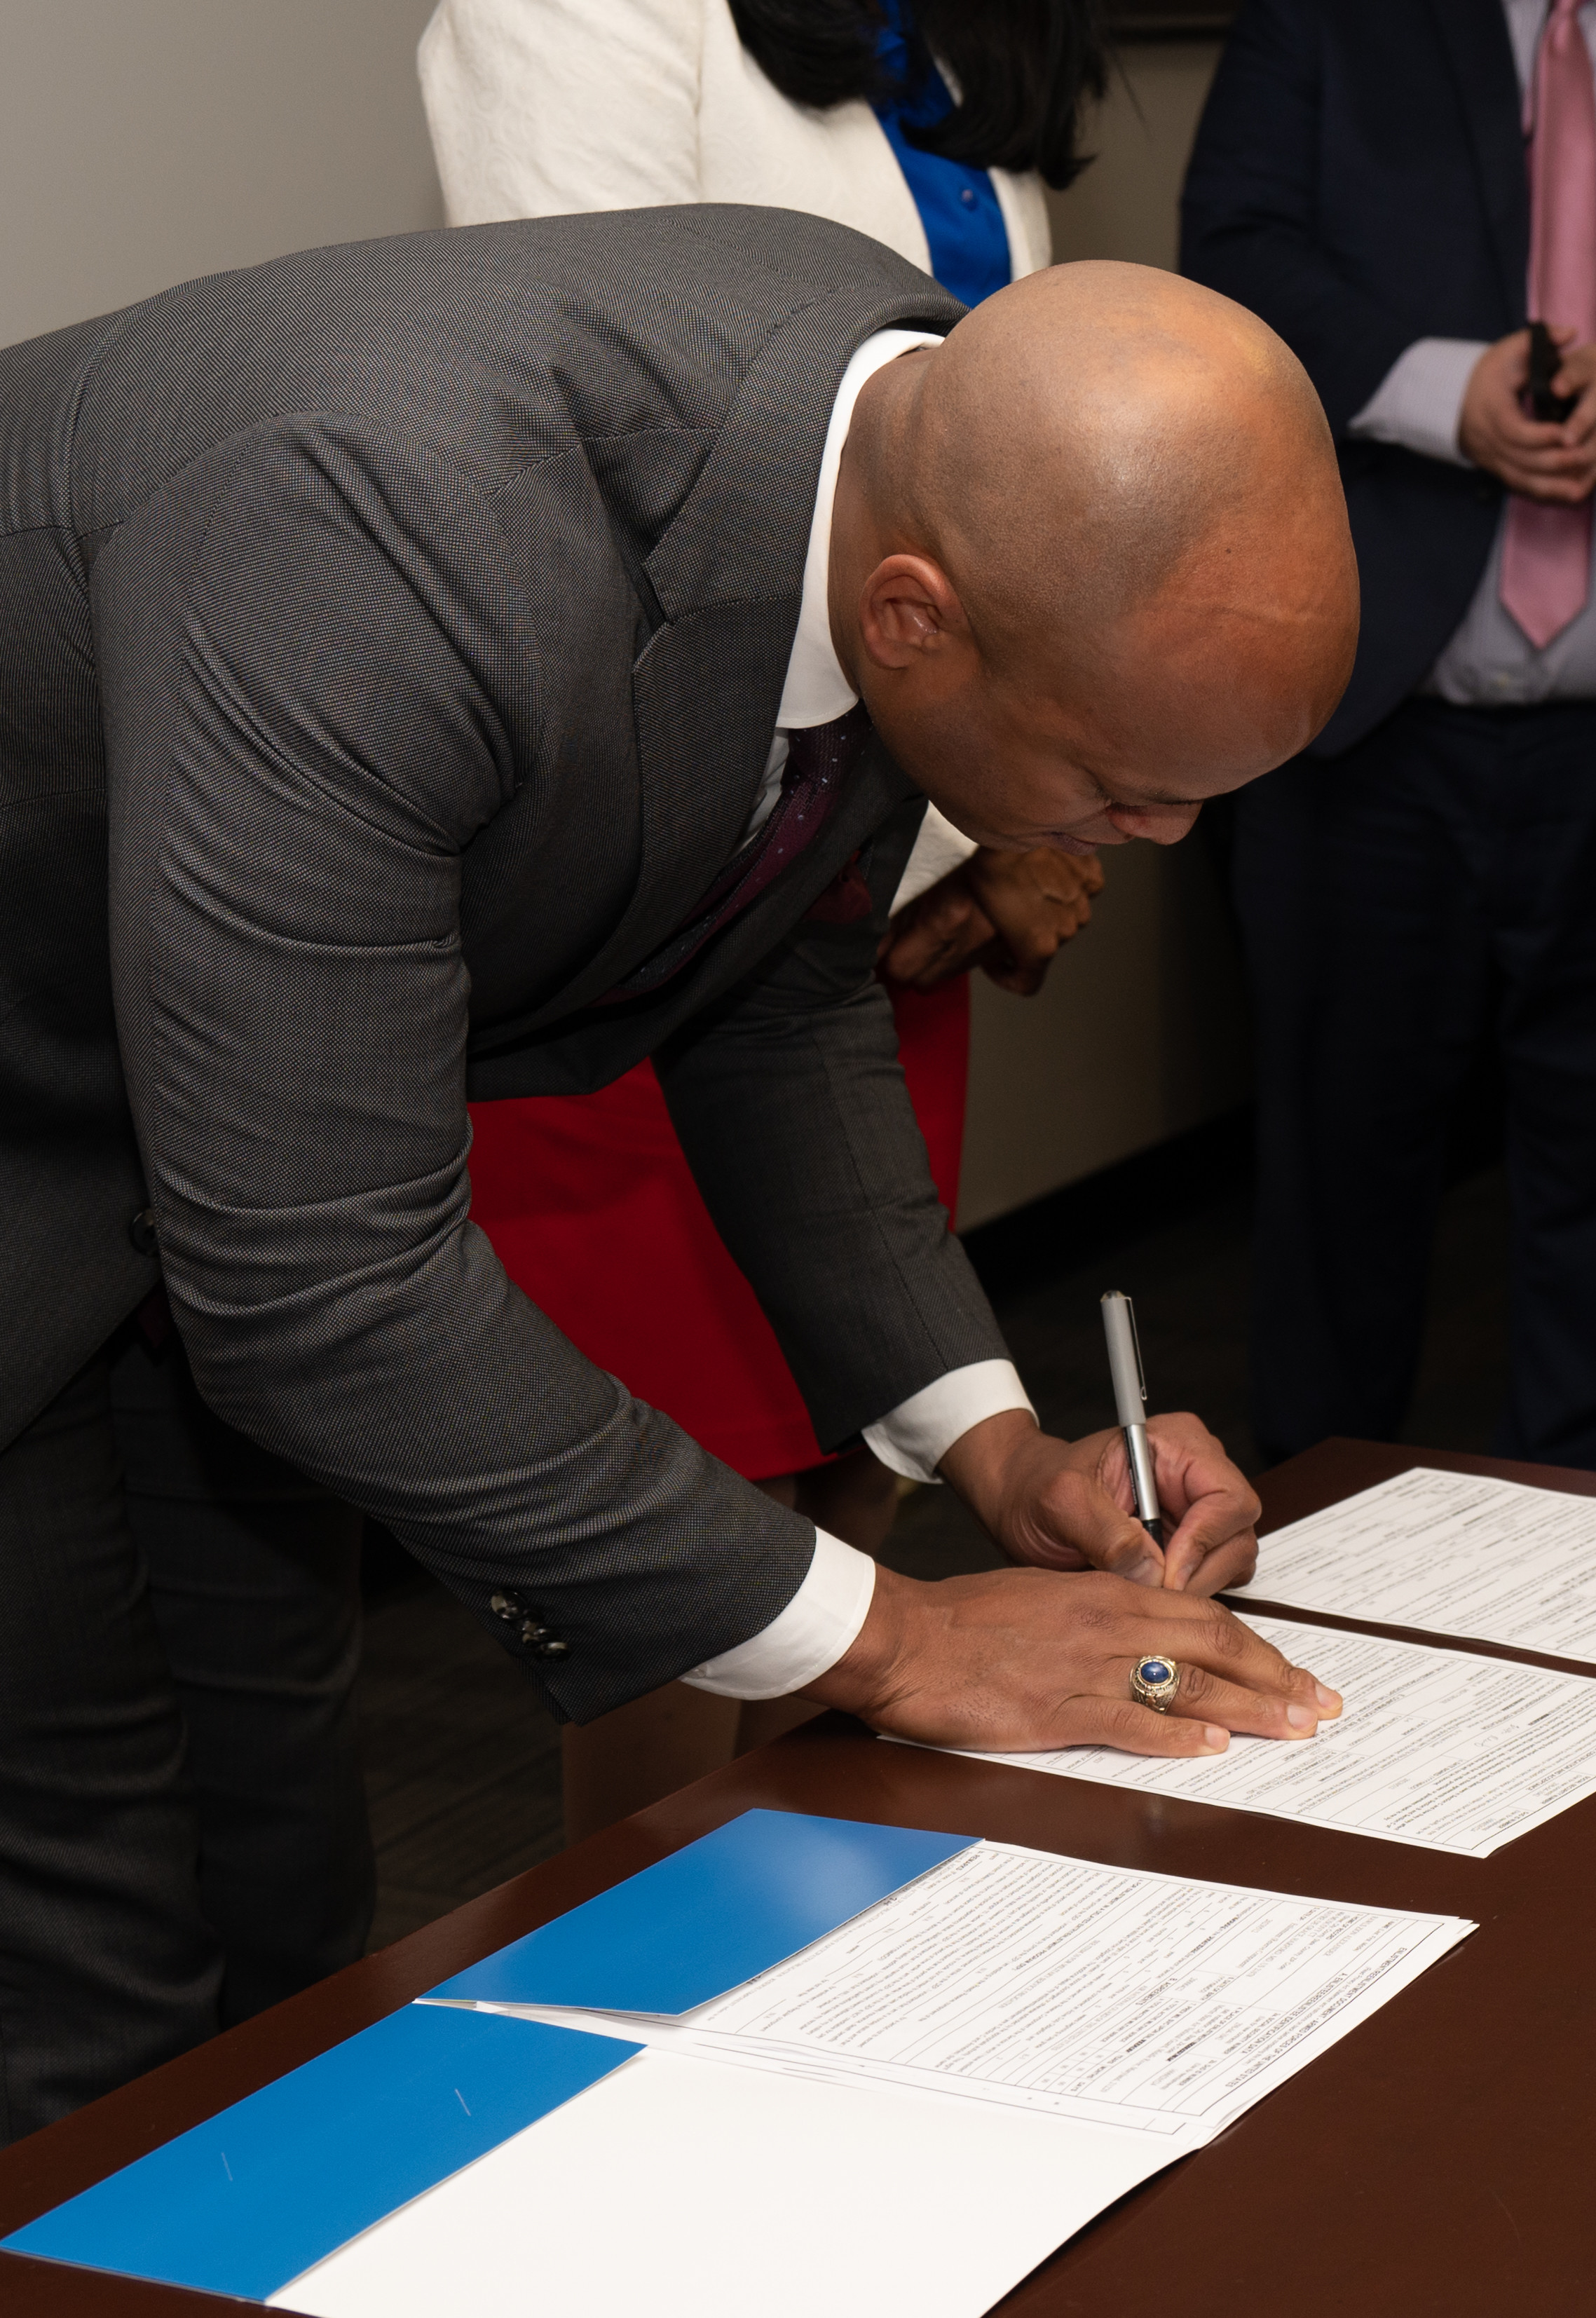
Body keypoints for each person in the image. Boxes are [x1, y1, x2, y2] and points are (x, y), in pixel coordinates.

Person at [0, 212, 1355, 2142]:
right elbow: (323, 1281)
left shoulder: (869, 423)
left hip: (179, 1120)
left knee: (276, 1885)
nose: (1147, 836)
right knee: (88, 1961)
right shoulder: (383, 527)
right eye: (1119, 781)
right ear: (911, 617)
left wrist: (992, 1447)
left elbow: (773, 970)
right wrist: (898, 1638)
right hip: (37, 1126)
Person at [418, 0, 1111, 1825]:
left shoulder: (967, 43)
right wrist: (994, 813)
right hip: (673, 869)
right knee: (683, 1501)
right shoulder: (569, 13)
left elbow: (1012, 470)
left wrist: (1021, 802)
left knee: (849, 1426)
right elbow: (596, 462)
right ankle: (634, 1936)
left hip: (895, 878)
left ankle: (807, 1912)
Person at [1182, 0, 1596, 1473]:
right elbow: (1232, 253)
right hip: (1367, 734)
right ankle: (1310, 1583)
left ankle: (1576, 1598)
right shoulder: (1327, 23)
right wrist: (1443, 389)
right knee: (1334, 1211)